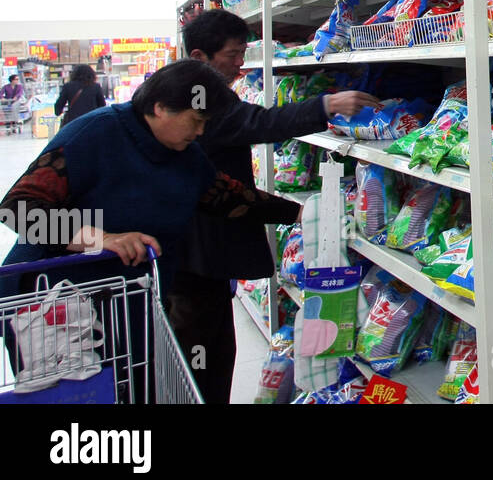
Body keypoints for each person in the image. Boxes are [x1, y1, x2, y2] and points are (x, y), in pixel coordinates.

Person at [0, 60, 302, 399]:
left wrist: (300, 213)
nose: (201, 132)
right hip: (56, 309)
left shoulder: (185, 155)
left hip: (126, 301)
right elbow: (18, 209)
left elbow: (227, 197)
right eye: (196, 120)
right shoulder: (96, 134)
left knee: (131, 388)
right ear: (160, 108)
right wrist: (102, 240)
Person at [169, 9, 382, 404]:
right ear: (199, 56)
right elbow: (258, 124)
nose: (240, 63)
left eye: (243, 52)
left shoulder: (198, 89)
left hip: (202, 258)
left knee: (213, 353)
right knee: (198, 361)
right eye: (233, 54)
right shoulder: (194, 99)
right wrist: (326, 105)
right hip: (193, 259)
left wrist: (295, 212)